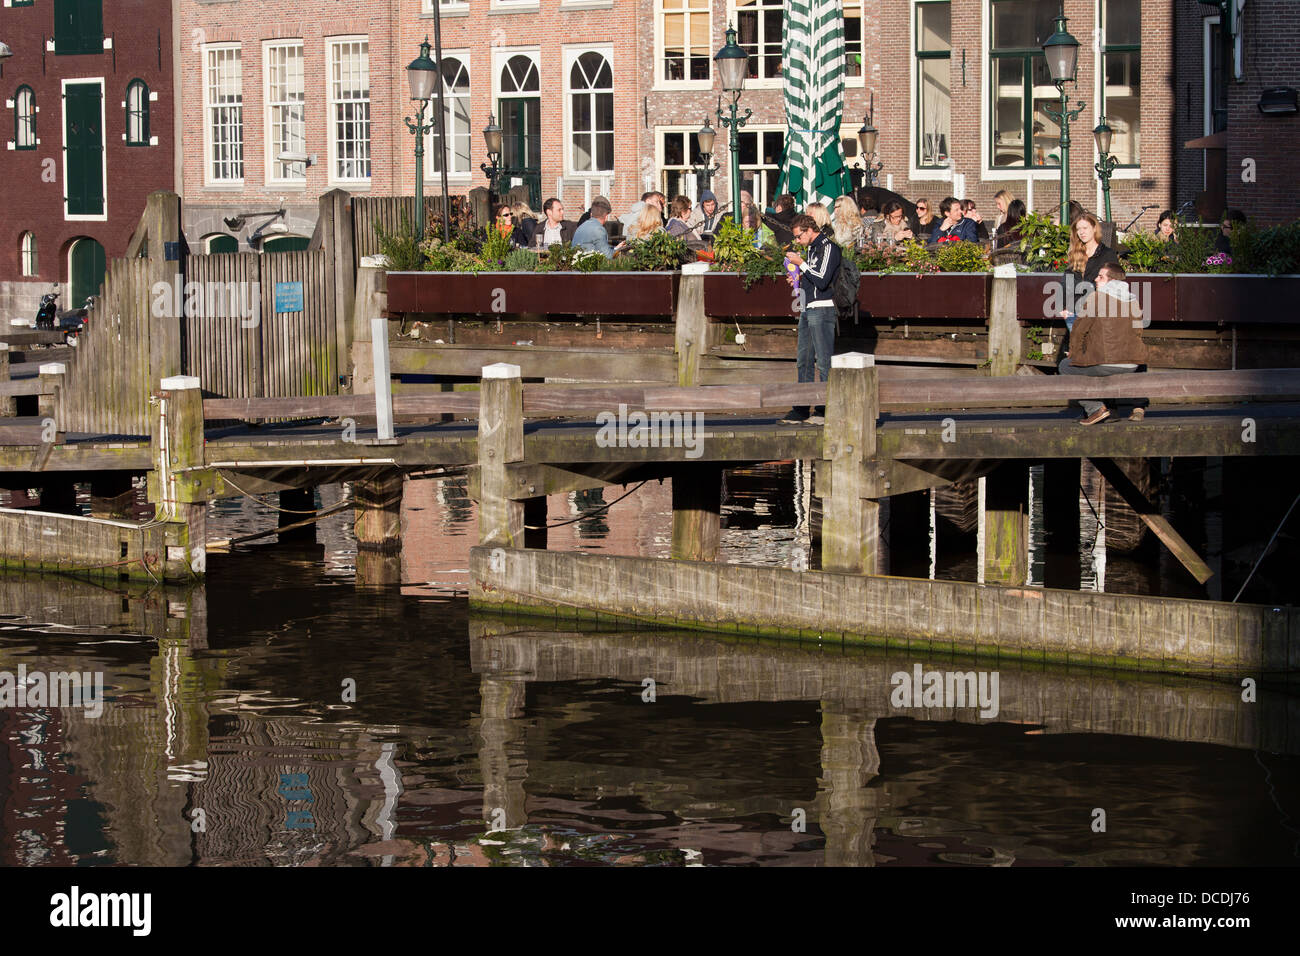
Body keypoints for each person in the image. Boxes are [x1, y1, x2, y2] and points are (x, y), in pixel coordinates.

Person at [1057, 262, 1149, 425]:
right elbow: (1138, 332)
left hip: (1108, 362)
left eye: (1100, 276)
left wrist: (1074, 354)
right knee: (1084, 366)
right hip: (1133, 364)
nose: (1095, 279)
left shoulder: (1096, 297)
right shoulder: (1133, 300)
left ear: (1112, 281)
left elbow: (1079, 330)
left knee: (1065, 366)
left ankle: (1096, 409)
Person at [780, 214, 841, 425]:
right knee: (803, 359)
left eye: (798, 236)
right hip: (807, 307)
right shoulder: (812, 249)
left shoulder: (828, 248)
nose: (797, 241)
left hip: (822, 309)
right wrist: (797, 276)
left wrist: (802, 264)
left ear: (808, 230)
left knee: (823, 361)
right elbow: (813, 277)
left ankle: (825, 409)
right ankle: (801, 407)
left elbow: (823, 280)